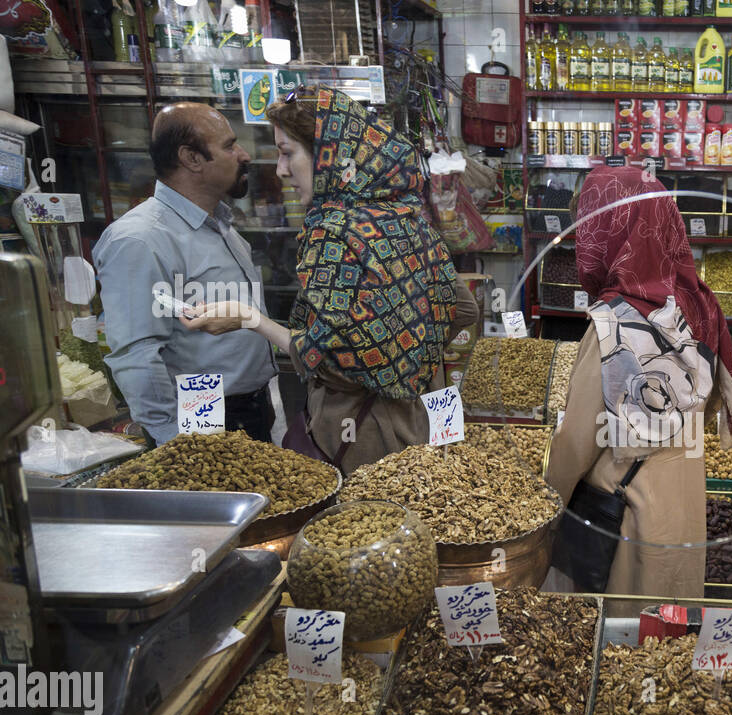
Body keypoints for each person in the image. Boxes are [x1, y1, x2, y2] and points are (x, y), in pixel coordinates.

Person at [182, 86, 477, 474]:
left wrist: (249, 320)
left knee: (363, 530)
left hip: (362, 437)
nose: (281, 170)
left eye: (288, 153)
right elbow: (464, 308)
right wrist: (407, 353)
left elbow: (330, 362)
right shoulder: (402, 216)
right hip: (420, 422)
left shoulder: (332, 233)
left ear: (331, 157)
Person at [545, 164, 732, 605]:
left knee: (620, 651)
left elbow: (579, 441)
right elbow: (698, 410)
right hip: (682, 505)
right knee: (664, 646)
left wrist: (541, 507)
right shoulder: (698, 305)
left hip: (626, 515)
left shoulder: (615, 325)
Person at [92, 102, 276, 445]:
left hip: (250, 409)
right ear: (191, 158)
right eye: (229, 145)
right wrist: (175, 444)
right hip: (201, 420)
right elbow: (136, 355)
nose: (244, 154)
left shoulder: (220, 227)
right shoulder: (141, 239)